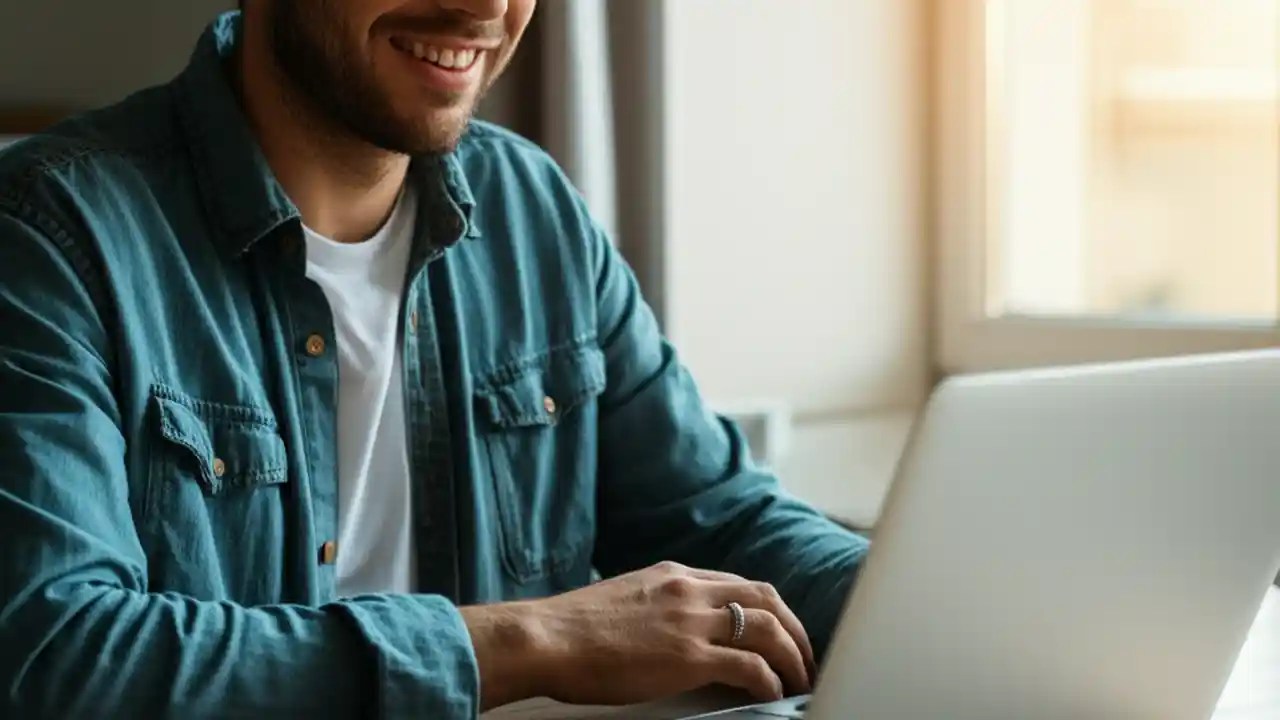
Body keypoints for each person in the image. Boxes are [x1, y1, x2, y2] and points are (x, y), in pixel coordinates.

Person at [0, 1, 869, 717]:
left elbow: (725, 523)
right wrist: (531, 642)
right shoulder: (51, 237)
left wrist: (941, 610)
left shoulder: (532, 212)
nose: (485, 8)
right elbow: (58, 657)